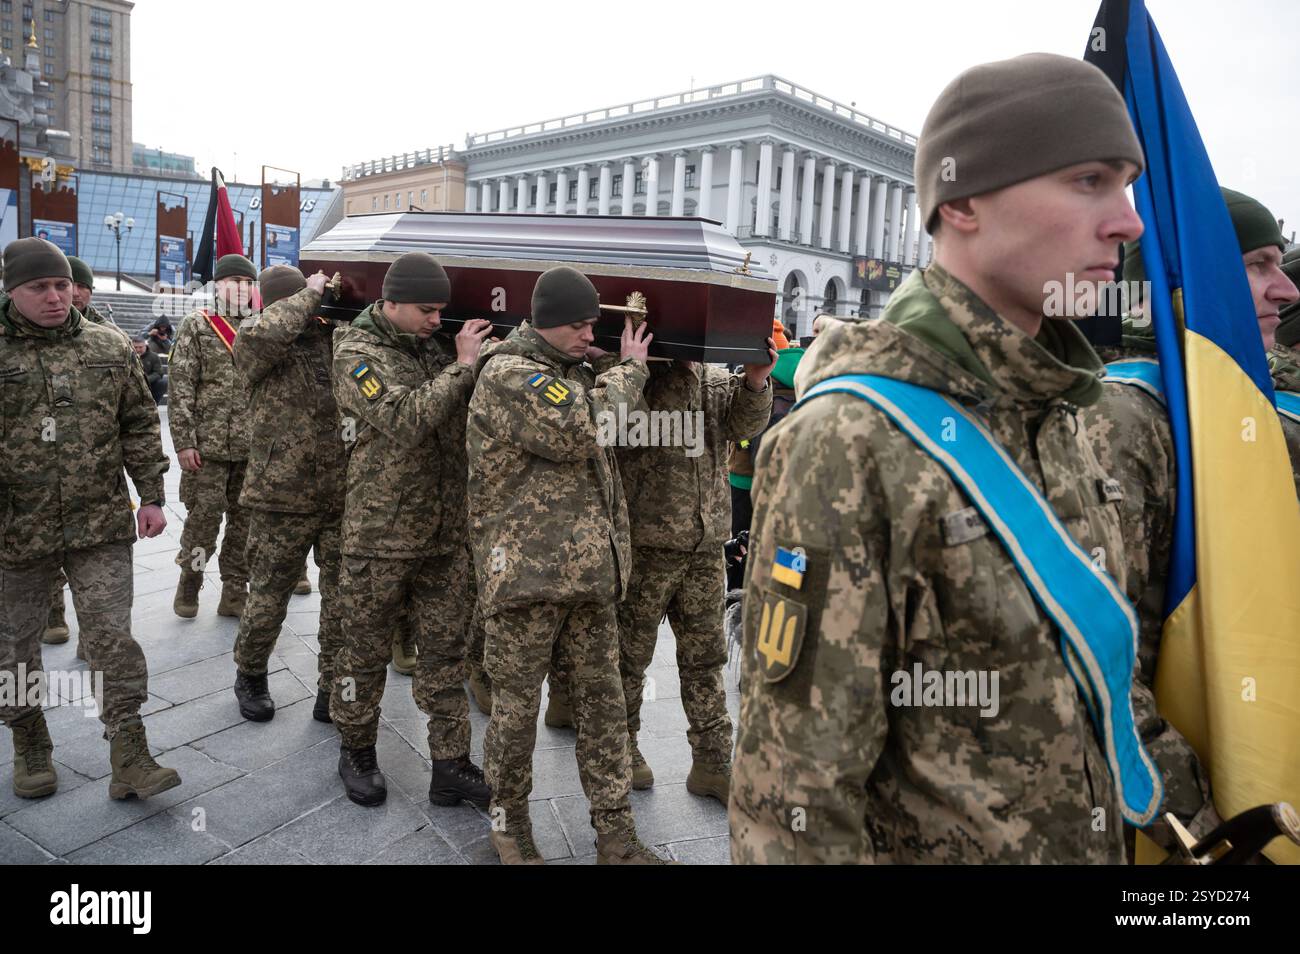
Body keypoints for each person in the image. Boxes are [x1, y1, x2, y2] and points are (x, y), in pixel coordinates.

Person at [731, 53, 1163, 863]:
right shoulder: (851, 440)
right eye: (1089, 181)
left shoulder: (1069, 409)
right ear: (962, 201)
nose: (1128, 222)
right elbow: (795, 802)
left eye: (1127, 184)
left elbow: (1104, 677)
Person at [468, 265, 669, 864]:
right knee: (515, 711)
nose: (590, 335)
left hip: (587, 581)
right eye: (580, 326)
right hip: (528, 582)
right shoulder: (510, 372)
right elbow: (586, 427)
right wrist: (631, 367)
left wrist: (610, 365)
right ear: (548, 323)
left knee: (604, 710)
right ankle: (509, 827)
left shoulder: (571, 370)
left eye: (593, 325)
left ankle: (617, 837)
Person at [0, 237, 181, 800]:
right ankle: (29, 739)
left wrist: (151, 494)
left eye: (61, 285)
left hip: (99, 522)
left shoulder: (106, 344)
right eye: (39, 287)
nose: (56, 297)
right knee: (13, 645)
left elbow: (138, 422)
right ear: (12, 290)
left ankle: (129, 749)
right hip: (15, 529)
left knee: (111, 637)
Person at [329, 253, 494, 809]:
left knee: (447, 655)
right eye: (426, 310)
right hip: (381, 533)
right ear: (390, 302)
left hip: (448, 533)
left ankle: (450, 764)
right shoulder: (355, 353)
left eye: (441, 311)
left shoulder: (434, 345)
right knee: (363, 651)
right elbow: (403, 420)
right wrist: (462, 365)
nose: (434, 320)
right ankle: (356, 751)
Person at [610, 344, 773, 800]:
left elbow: (744, 426)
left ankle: (713, 763)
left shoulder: (716, 378)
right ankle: (622, 749)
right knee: (629, 656)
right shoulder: (633, 372)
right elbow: (627, 425)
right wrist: (657, 365)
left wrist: (756, 381)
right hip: (647, 542)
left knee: (706, 658)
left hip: (705, 544)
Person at [230, 265, 346, 725]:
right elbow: (262, 337)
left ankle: (332, 685)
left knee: (341, 599)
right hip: (281, 494)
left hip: (340, 492)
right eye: (302, 303)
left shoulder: (333, 338)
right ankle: (251, 672)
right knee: (269, 593)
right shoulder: (255, 342)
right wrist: (308, 296)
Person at [168, 254, 256, 619]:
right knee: (204, 520)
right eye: (233, 280)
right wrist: (185, 441)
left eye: (248, 282)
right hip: (208, 446)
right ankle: (191, 580)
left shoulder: (261, 326)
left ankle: (235, 590)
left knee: (244, 524)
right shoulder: (198, 325)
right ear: (217, 285)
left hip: (251, 448)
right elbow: (181, 387)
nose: (241, 288)